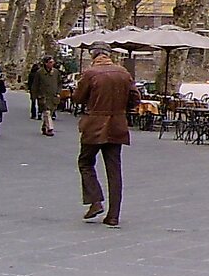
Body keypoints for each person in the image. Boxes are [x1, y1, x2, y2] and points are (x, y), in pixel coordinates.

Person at [72, 43, 140, 228]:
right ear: (109, 55)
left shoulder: (90, 74)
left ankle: (95, 200)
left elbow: (77, 98)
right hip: (117, 125)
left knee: (85, 162)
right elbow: (135, 98)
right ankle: (114, 215)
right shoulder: (124, 73)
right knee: (114, 170)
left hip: (94, 124)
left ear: (93, 55)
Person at [30, 56, 63, 136]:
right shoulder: (40, 72)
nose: (52, 64)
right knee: (47, 112)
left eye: (53, 62)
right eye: (50, 62)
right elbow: (35, 85)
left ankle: (44, 127)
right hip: (43, 96)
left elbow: (59, 83)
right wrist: (34, 96)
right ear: (46, 63)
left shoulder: (56, 72)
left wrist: (58, 92)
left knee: (49, 113)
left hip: (53, 96)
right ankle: (50, 128)